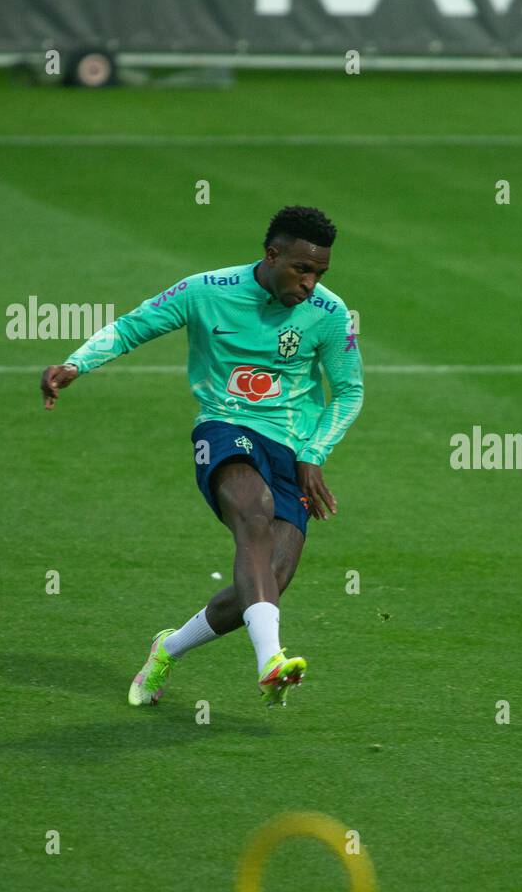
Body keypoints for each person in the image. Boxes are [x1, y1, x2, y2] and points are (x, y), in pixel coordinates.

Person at [40, 206, 363, 707]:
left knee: (267, 584)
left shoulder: (329, 314)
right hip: (224, 426)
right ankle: (271, 661)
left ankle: (167, 649)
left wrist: (315, 453)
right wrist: (76, 363)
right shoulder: (205, 290)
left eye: (320, 273)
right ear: (271, 255)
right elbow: (130, 328)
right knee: (252, 514)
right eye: (301, 269)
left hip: (292, 448)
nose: (310, 283)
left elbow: (348, 391)